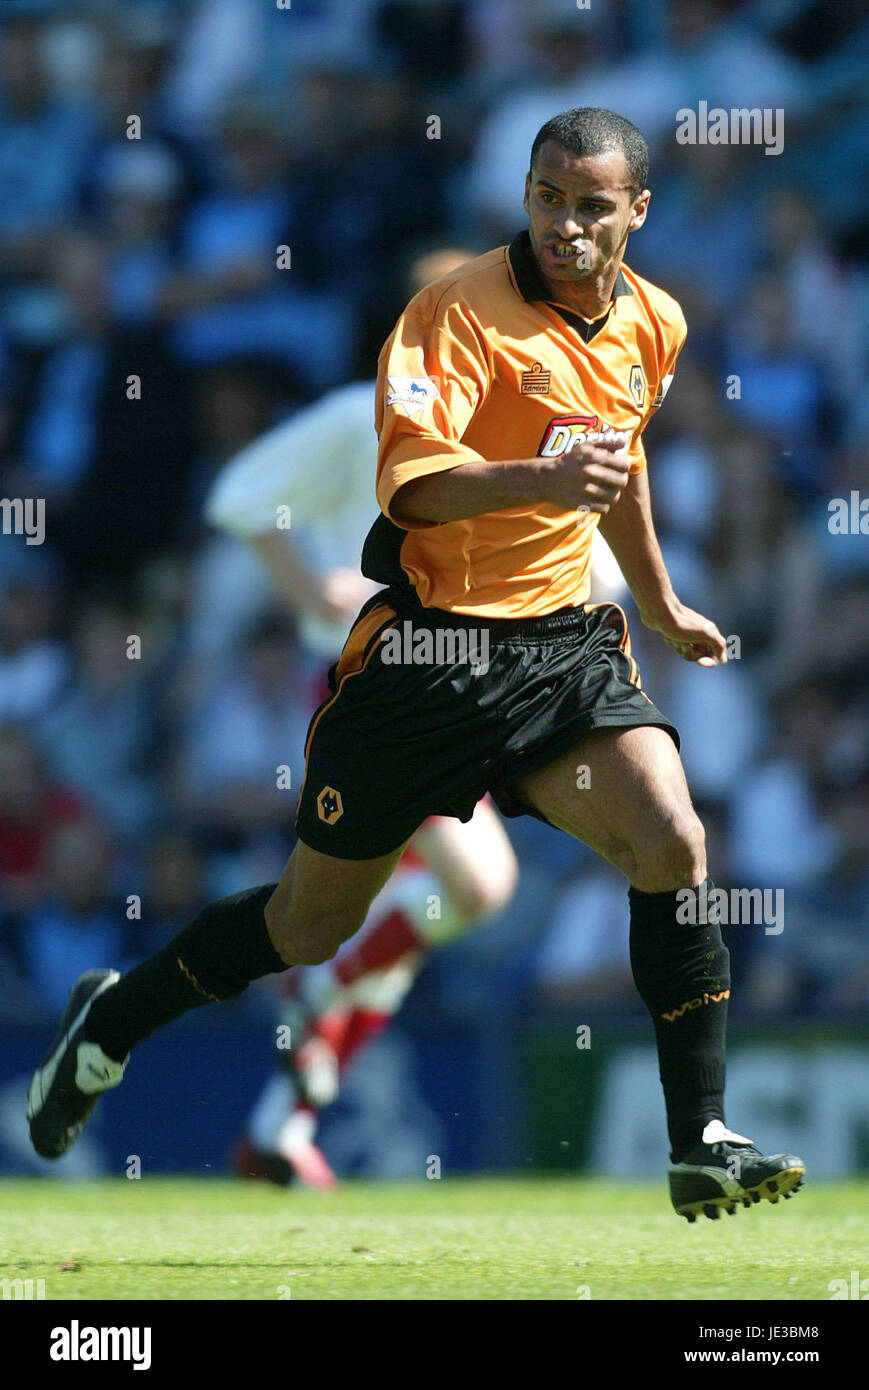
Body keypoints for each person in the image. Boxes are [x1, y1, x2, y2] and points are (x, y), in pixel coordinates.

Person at [29, 107, 805, 1221]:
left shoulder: (656, 322)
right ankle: (106, 1028)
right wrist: (535, 482)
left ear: (637, 211)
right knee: (306, 925)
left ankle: (700, 1138)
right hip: (423, 663)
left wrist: (661, 599)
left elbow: (618, 457)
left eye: (592, 205)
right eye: (547, 197)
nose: (565, 223)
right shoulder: (448, 314)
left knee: (671, 839)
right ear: (525, 193)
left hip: (557, 652)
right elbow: (413, 488)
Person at [200, 256, 519, 1182]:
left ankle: (276, 1132)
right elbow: (239, 497)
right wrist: (314, 589)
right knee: (478, 888)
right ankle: (319, 984)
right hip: (372, 690)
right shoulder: (358, 417)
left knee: (400, 937)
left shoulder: (495, 435)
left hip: (457, 702)